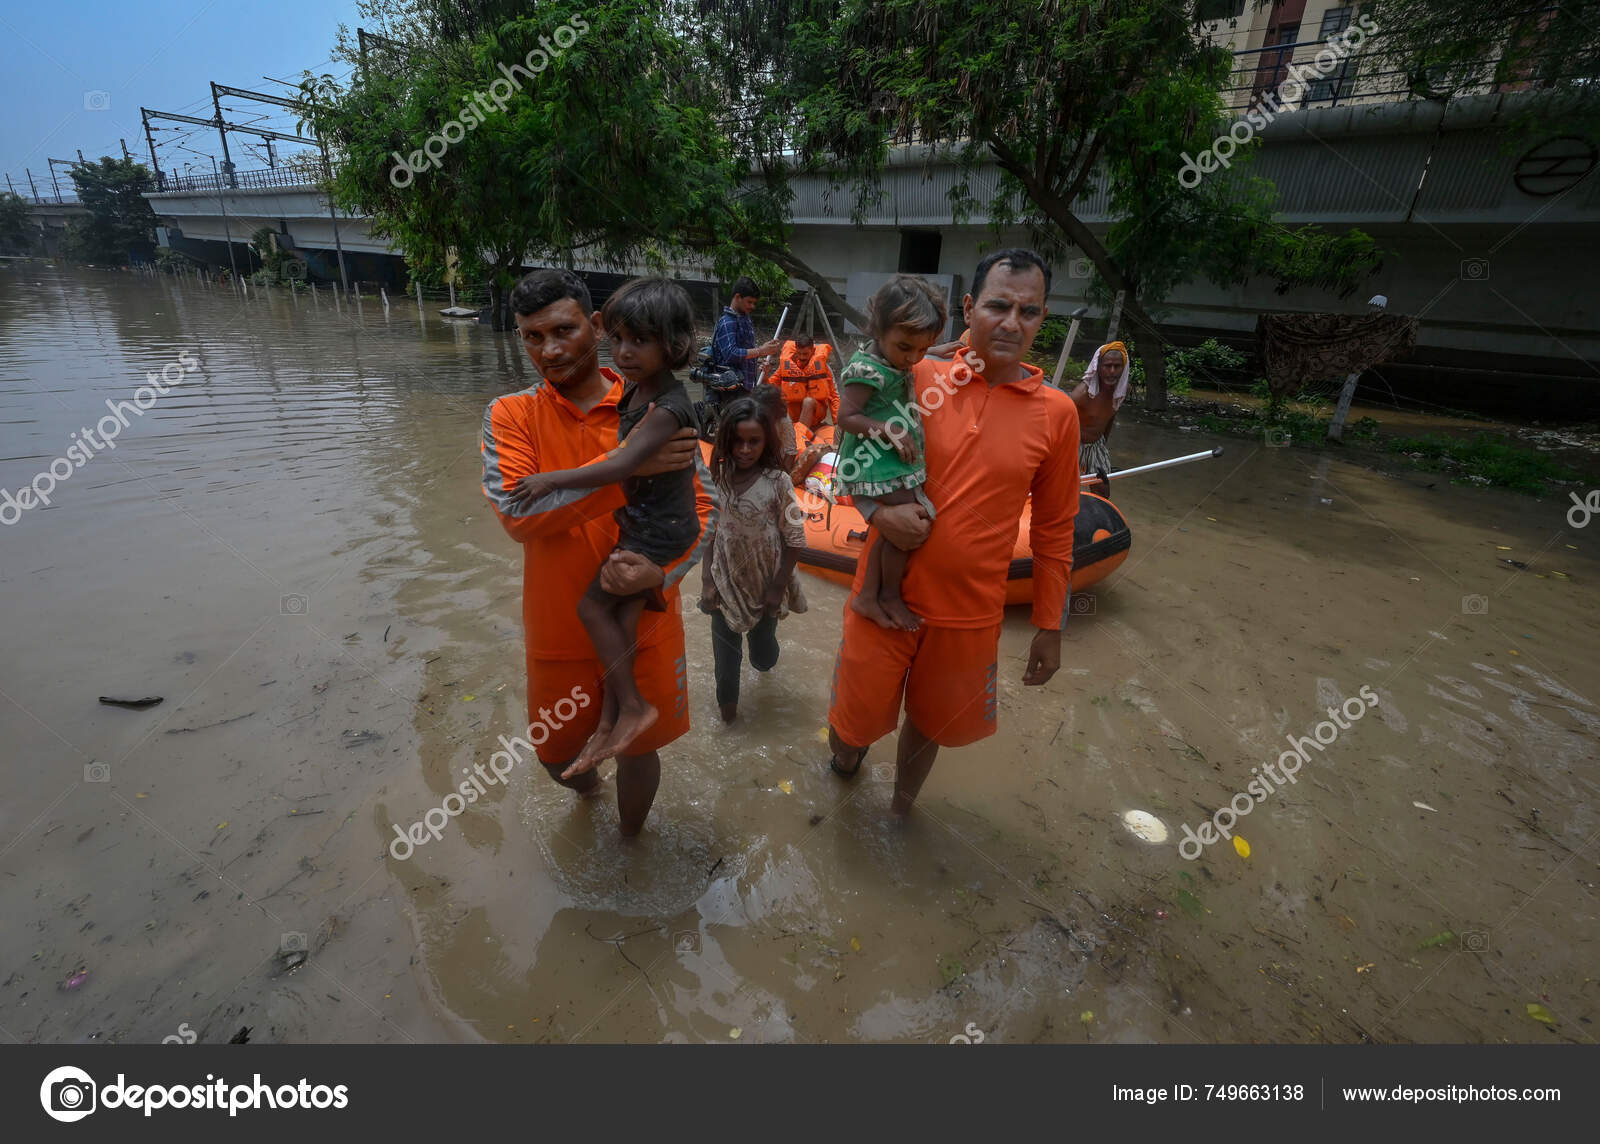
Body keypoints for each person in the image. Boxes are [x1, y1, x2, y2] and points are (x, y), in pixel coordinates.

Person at [824, 249, 1081, 816]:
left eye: (1029, 311)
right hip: (884, 596)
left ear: (1044, 319)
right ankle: (844, 768)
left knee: (931, 723)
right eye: (998, 306)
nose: (1012, 323)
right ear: (969, 307)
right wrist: (874, 515)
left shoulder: (1058, 414)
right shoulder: (914, 372)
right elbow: (844, 457)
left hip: (969, 610)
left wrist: (1049, 625)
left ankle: (899, 814)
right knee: (853, 723)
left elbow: (1056, 528)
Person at [480, 269, 714, 837]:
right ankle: (588, 793)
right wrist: (625, 478)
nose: (550, 349)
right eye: (531, 337)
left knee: (639, 748)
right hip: (559, 626)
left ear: (597, 325)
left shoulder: (648, 402)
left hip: (645, 614)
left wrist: (660, 574)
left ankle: (630, 842)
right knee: (555, 757)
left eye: (563, 330)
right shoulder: (510, 414)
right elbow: (516, 516)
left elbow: (705, 511)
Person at [833, 274, 947, 632]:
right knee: (912, 522)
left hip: (883, 461)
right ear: (877, 331)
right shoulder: (866, 370)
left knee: (896, 530)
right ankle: (889, 594)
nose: (913, 359)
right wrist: (888, 429)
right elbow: (845, 417)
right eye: (905, 347)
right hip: (870, 463)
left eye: (923, 350)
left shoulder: (895, 358)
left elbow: (915, 354)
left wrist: (953, 349)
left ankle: (870, 595)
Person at [700, 395, 808, 723]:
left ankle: (766, 665)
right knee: (726, 666)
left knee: (762, 658)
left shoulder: (779, 483)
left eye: (754, 442)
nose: (745, 449)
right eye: (738, 441)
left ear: (766, 442)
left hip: (765, 583)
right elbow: (710, 531)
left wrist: (778, 588)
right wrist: (707, 579)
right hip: (724, 579)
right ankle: (728, 722)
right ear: (726, 440)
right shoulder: (717, 477)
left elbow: (794, 539)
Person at [1068, 341, 1128, 497]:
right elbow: (1058, 421)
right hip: (1072, 444)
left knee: (1102, 492)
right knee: (1066, 491)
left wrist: (1102, 449)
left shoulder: (1121, 391)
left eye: (1117, 366)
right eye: (1107, 366)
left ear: (1124, 368)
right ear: (1098, 367)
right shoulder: (1082, 394)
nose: (1112, 371)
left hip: (1096, 444)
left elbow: (1110, 417)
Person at [710, 276, 781, 402]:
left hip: (746, 388)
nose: (752, 306)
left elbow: (747, 352)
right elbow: (731, 353)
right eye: (749, 302)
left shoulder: (745, 320)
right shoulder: (727, 322)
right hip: (729, 392)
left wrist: (763, 350)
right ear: (737, 297)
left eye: (754, 303)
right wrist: (760, 351)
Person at [766, 333, 838, 430]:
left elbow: (834, 396)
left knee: (808, 402)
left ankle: (801, 436)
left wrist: (838, 423)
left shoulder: (823, 366)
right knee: (779, 398)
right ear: (796, 350)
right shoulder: (788, 365)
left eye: (805, 354)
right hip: (793, 415)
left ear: (812, 351)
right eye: (799, 353)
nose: (802, 357)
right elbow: (769, 385)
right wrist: (765, 375)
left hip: (816, 413)